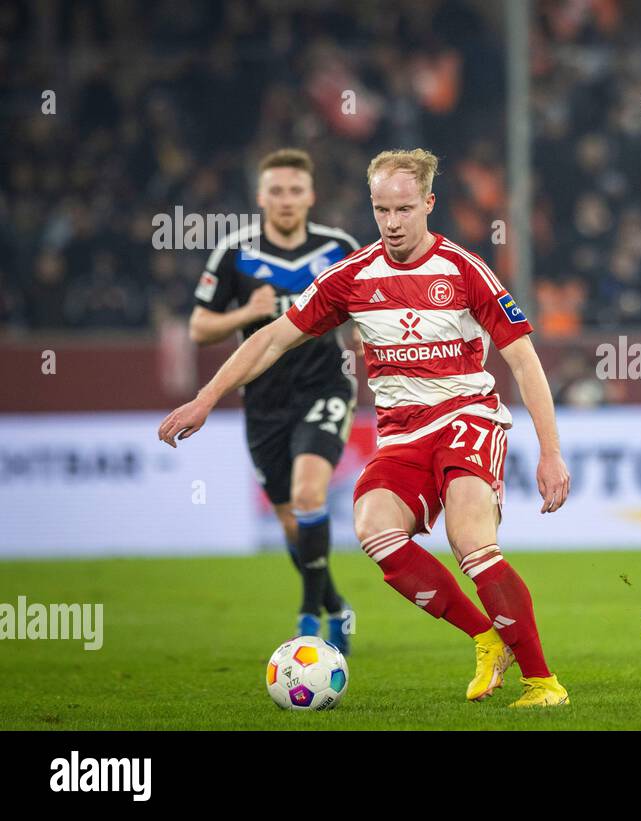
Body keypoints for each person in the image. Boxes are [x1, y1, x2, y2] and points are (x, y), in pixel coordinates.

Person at [164, 149, 572, 707]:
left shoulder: (464, 270)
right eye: (381, 210)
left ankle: (542, 683)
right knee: (373, 527)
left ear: (428, 204)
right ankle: (484, 637)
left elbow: (524, 361)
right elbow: (272, 338)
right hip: (401, 434)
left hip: (466, 418)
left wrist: (551, 452)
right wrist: (205, 399)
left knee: (470, 539)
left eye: (404, 209)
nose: (392, 222)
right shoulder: (351, 278)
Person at [190, 148, 360, 651]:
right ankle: (336, 605)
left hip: (324, 387)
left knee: (310, 496)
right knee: (290, 519)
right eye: (276, 191)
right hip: (263, 399)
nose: (286, 200)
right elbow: (199, 327)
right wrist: (244, 312)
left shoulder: (340, 247)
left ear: (311, 196)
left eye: (295, 190)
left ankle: (309, 618)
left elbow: (370, 308)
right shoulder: (234, 253)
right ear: (261, 197)